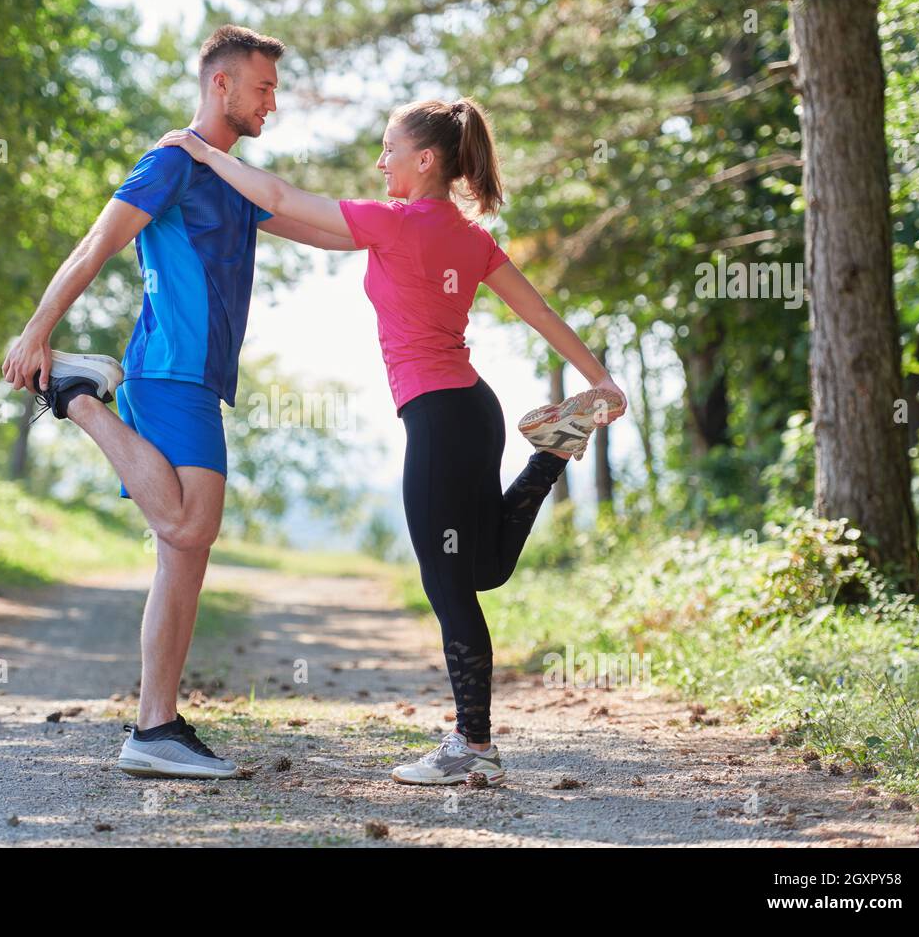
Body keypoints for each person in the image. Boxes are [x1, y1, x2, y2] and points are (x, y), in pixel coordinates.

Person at [156, 96, 627, 786]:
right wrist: (601, 379)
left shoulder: (394, 224)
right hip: (474, 411)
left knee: (450, 585)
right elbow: (539, 311)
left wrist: (204, 154)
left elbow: (284, 194)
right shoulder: (463, 236)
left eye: (389, 150)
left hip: (439, 421)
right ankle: (552, 451)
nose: (380, 162)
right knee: (481, 571)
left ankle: (473, 746)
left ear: (425, 159)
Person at [1, 25, 358, 779]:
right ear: (221, 84)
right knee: (192, 523)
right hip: (169, 370)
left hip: (194, 378)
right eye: (264, 88)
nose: (274, 103)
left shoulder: (228, 176)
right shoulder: (171, 162)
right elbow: (96, 242)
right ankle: (78, 397)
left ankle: (154, 727)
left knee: (182, 555)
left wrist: (404, 221)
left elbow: (321, 228)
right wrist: (39, 330)